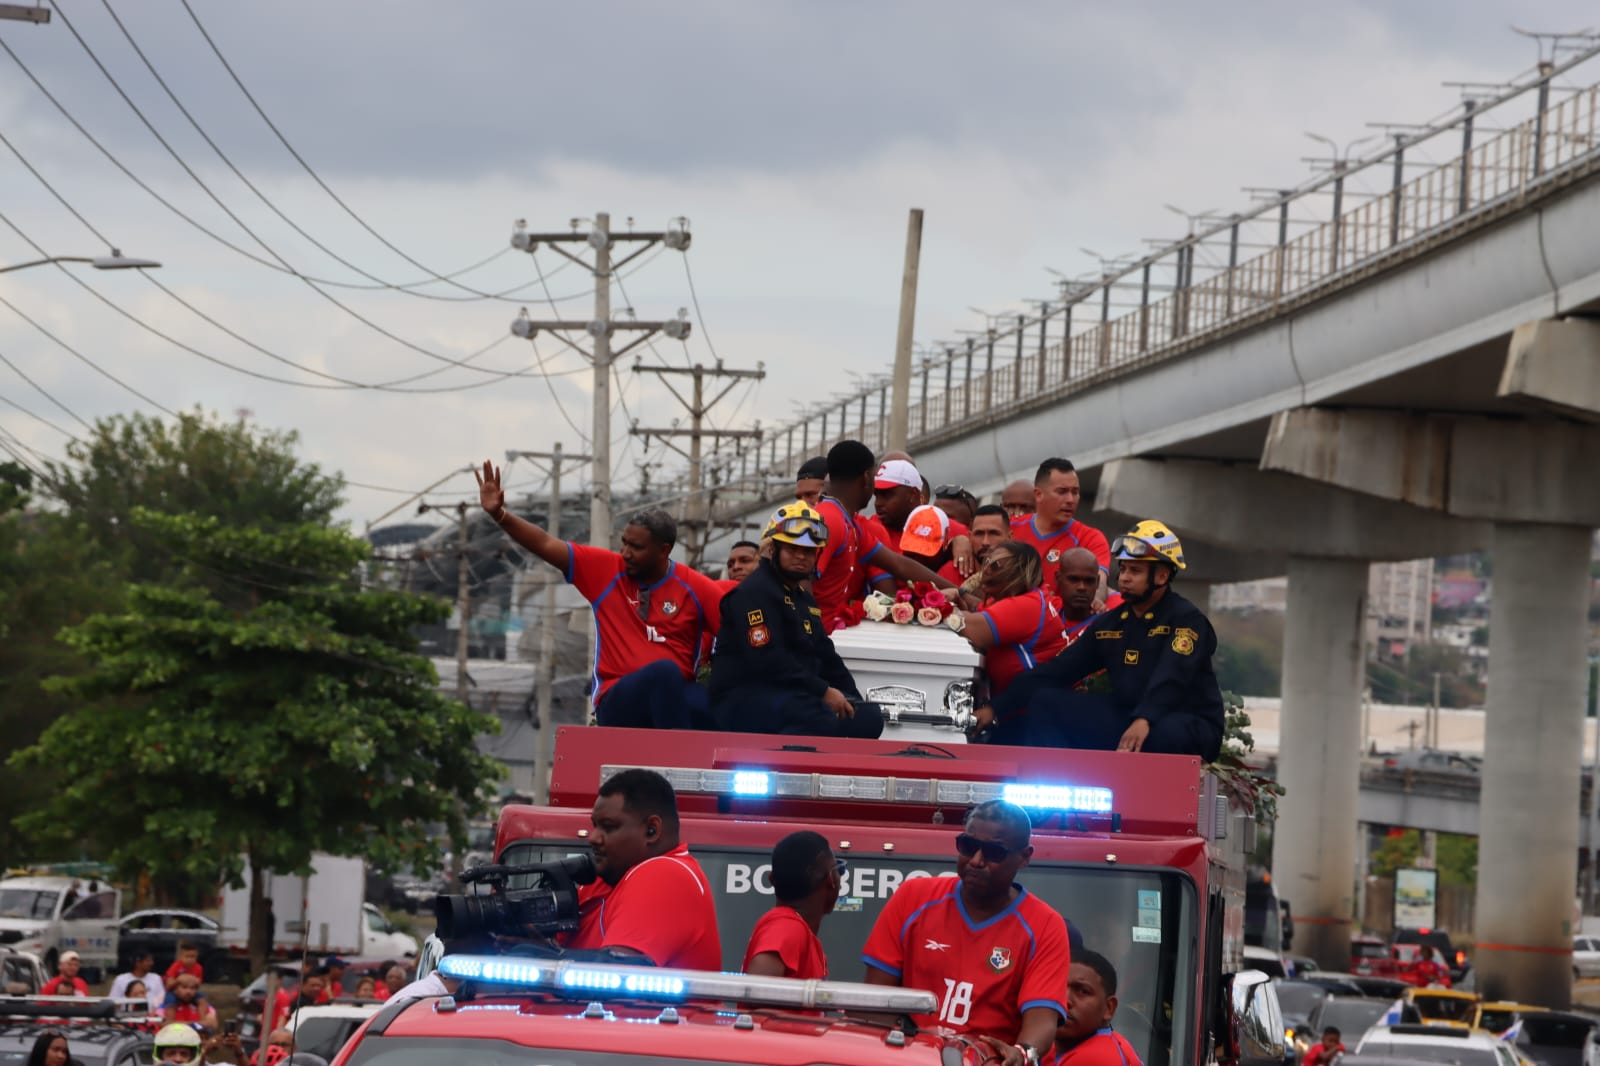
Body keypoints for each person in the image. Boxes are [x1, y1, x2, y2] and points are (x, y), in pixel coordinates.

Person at [478, 461, 722, 729]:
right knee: (663, 672)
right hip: (618, 701)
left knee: (713, 702)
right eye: (624, 543)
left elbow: (743, 633)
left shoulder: (695, 587)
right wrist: (500, 514)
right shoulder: (606, 570)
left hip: (672, 698)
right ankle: (676, 758)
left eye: (636, 547)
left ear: (663, 551)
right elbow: (546, 543)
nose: (626, 553)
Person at [977, 521, 1224, 760]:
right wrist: (996, 708)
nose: (1124, 578)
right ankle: (1053, 788)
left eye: (1135, 571)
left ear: (1161, 576)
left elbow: (1172, 677)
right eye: (1123, 568)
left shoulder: (1186, 620)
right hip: (1131, 715)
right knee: (1047, 703)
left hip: (1186, 719)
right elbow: (1057, 670)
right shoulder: (1112, 623)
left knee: (1162, 735)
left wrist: (1145, 718)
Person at [863, 800, 1071, 1065]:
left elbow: (1041, 1021)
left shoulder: (1045, 925)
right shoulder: (913, 897)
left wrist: (1021, 1053)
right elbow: (876, 1001)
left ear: (1025, 856)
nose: (976, 861)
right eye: (968, 846)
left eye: (994, 852)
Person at [710, 503, 884, 738]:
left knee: (868, 718)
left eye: (810, 551)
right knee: (819, 716)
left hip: (791, 694)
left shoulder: (804, 599)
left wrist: (852, 697)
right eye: (793, 549)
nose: (802, 556)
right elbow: (767, 660)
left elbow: (826, 656)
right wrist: (823, 691)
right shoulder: (753, 593)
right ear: (773, 550)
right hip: (743, 697)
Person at [568, 769, 722, 969]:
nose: (593, 838)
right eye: (595, 825)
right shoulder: (606, 878)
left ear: (652, 830)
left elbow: (613, 975)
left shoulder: (665, 873)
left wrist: (528, 953)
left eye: (608, 827)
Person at [813, 441, 956, 629]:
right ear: (866, 479)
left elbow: (899, 565)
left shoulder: (851, 526)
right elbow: (801, 583)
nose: (878, 501)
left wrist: (959, 592)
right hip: (809, 641)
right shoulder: (830, 520)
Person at [957, 543, 1069, 745]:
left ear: (1021, 570)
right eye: (986, 562)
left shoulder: (1028, 605)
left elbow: (972, 629)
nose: (987, 569)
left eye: (997, 564)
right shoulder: (1017, 600)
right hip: (1016, 709)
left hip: (1032, 720)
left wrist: (933, 603)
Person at [742, 831, 841, 980]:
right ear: (831, 880)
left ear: (771, 879)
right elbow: (758, 988)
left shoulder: (793, 928)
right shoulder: (787, 927)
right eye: (840, 870)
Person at [1011, 459, 1110, 599]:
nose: (1070, 499)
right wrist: (966, 540)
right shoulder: (1010, 528)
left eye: (1075, 492)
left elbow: (1100, 582)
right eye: (1062, 492)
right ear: (1038, 495)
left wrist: (1096, 601)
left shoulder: (1090, 538)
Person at [1048, 952, 1142, 1066]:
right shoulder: (1112, 1041)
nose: (1065, 1000)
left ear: (1109, 1008)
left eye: (1083, 991)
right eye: (1058, 987)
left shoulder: (1094, 1058)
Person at [1054, 547, 1121, 644]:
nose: (1082, 587)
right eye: (1073, 579)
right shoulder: (1043, 617)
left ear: (1097, 582)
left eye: (1089, 581)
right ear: (1058, 579)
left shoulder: (1110, 627)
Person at [943, 504, 1011, 584]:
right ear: (970, 537)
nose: (985, 542)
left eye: (994, 533)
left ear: (1009, 537)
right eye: (979, 534)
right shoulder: (952, 571)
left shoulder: (1022, 573)